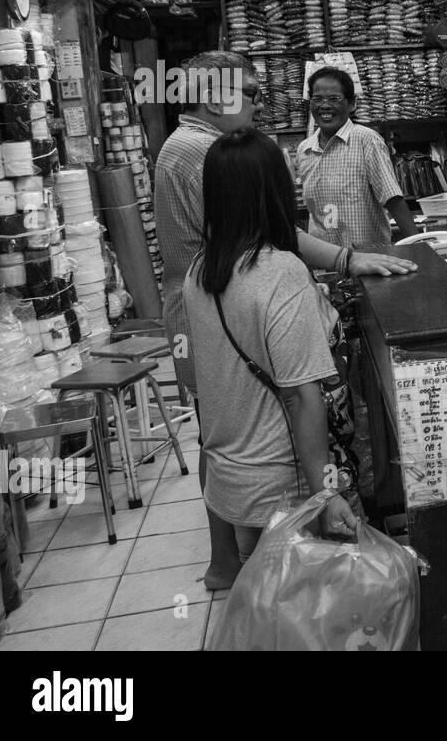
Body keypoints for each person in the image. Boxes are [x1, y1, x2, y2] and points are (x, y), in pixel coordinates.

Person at [154, 51, 416, 590]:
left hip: (213, 302)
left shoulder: (195, 149)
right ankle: (236, 557)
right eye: (250, 92)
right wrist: (322, 491)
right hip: (227, 307)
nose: (257, 103)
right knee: (244, 424)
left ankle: (235, 555)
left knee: (224, 429)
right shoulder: (209, 154)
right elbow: (301, 394)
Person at [184, 128, 358, 562]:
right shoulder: (281, 274)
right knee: (315, 610)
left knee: (271, 600)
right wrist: (326, 494)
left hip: (234, 480)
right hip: (287, 481)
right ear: (275, 190)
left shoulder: (201, 271)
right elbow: (302, 397)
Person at [297, 67, 420, 249]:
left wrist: (418, 248)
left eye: (334, 99)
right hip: (325, 261)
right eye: (317, 99)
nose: (324, 106)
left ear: (352, 104)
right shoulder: (305, 149)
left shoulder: (366, 140)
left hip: (370, 260)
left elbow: (392, 198)